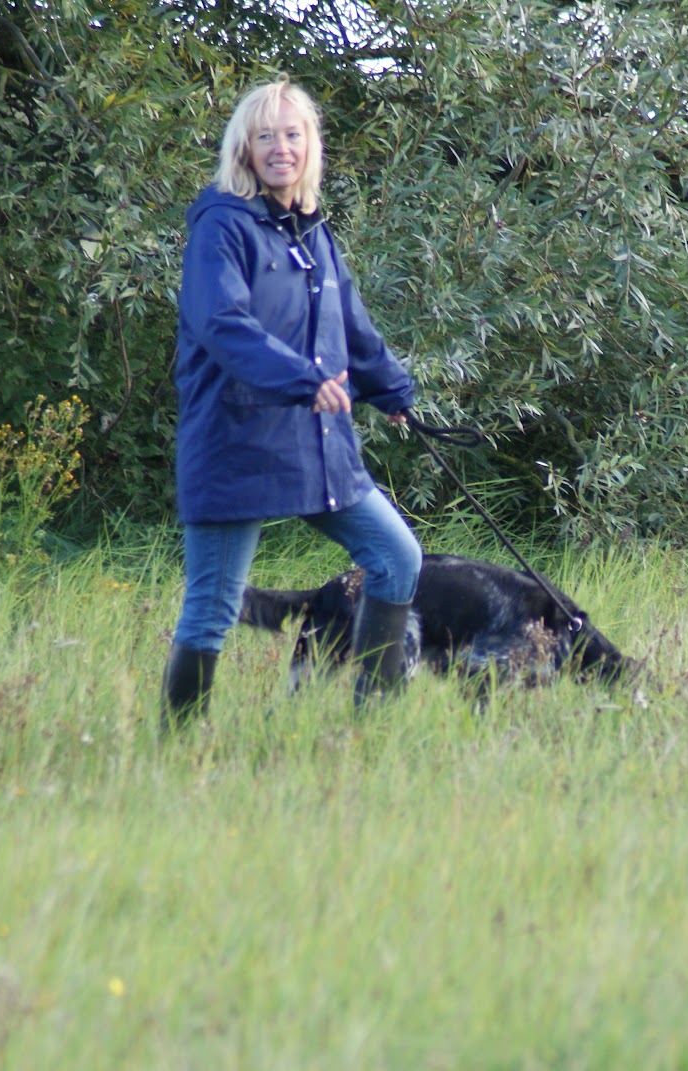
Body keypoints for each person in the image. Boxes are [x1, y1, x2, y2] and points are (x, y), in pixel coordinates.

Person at [161, 78, 421, 729]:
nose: (281, 147)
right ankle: (177, 749)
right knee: (212, 607)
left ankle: (371, 729)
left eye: (293, 133)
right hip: (233, 442)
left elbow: (350, 325)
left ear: (311, 145)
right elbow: (222, 324)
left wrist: (391, 388)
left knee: (396, 558)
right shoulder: (222, 227)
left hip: (316, 444)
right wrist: (304, 378)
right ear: (244, 147)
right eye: (267, 135)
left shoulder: (314, 235)